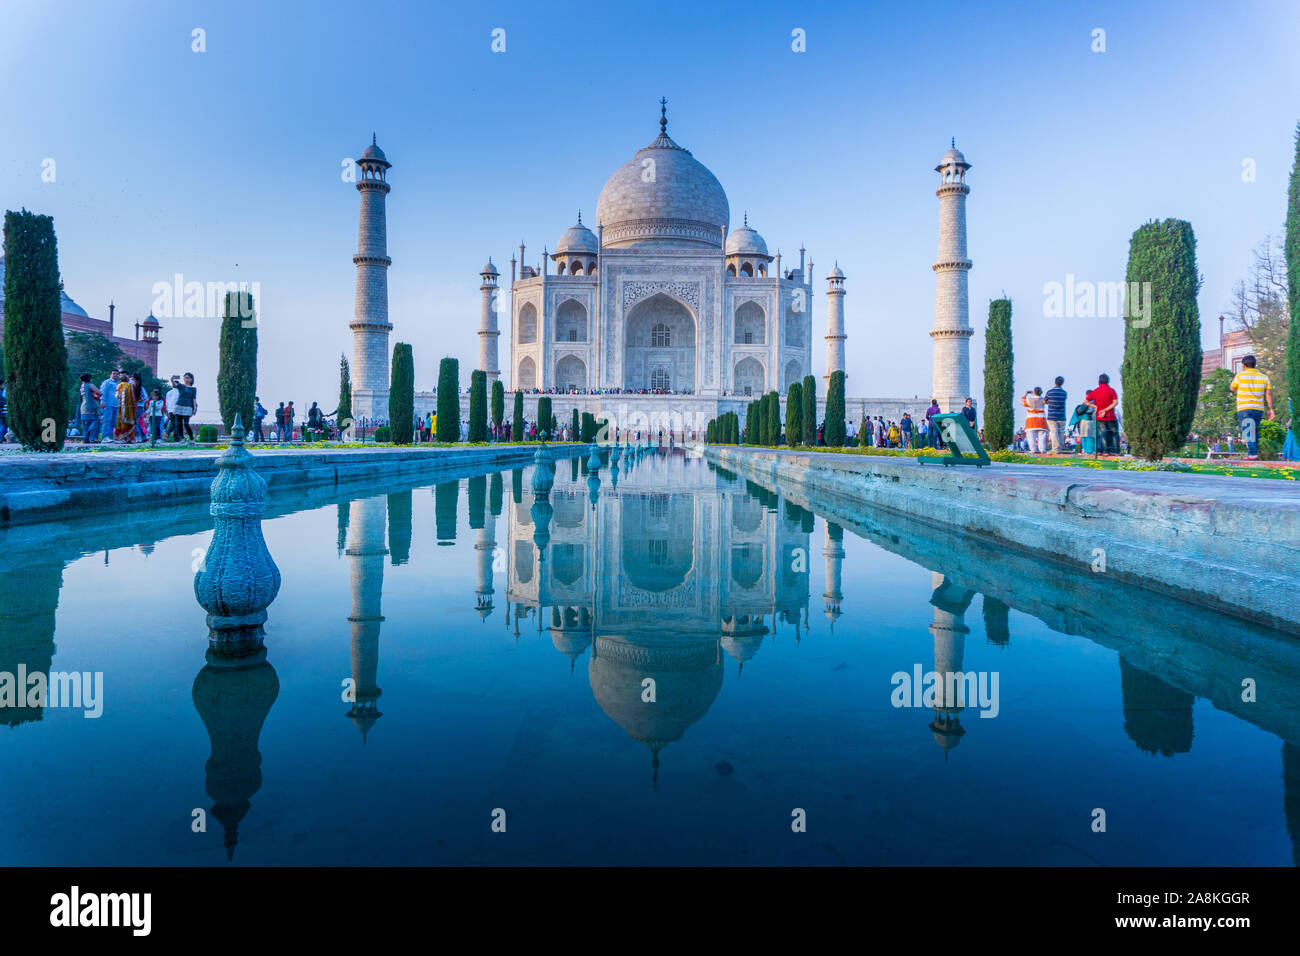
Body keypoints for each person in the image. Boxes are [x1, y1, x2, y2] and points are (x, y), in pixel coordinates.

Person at [1229, 354, 1275, 458]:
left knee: (1248, 431)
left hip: (1244, 408)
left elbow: (1232, 387)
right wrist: (1271, 409)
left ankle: (1253, 454)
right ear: (1254, 365)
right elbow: (1268, 394)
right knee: (1254, 430)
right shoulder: (1264, 377)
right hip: (1258, 409)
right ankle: (1252, 453)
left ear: (1243, 365)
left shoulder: (1240, 376)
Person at [1088, 373, 1120, 455]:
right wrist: (1105, 410)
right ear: (1108, 380)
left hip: (1100, 416)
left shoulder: (1095, 391)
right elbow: (1115, 402)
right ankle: (1116, 451)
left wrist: (1096, 407)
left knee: (1103, 434)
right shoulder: (1111, 390)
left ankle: (1105, 451)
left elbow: (1086, 402)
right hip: (1111, 416)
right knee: (1114, 433)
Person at [1044, 376, 1068, 454]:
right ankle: (1060, 448)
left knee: (1054, 432)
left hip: (1052, 415)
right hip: (1062, 415)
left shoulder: (1049, 392)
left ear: (1055, 382)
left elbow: (1045, 401)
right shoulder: (1064, 393)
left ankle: (1055, 449)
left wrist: (1050, 402)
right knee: (1061, 432)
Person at [1022, 387, 1048, 455]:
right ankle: (1042, 450)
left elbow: (1022, 402)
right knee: (1042, 436)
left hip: (1031, 420)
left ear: (1033, 392)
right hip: (1041, 420)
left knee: (1031, 436)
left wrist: (1025, 394)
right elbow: (1047, 402)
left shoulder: (1029, 399)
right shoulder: (1043, 400)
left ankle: (1033, 450)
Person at [77, 373, 101, 443]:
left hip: (83, 407)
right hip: (90, 407)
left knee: (85, 424)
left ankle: (86, 439)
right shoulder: (90, 385)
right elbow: (99, 393)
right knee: (94, 423)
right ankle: (93, 439)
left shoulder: (82, 386)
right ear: (89, 379)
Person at [173, 373, 197, 442]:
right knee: (179, 423)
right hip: (179, 405)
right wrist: (172, 379)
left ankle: (191, 438)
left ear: (191, 379)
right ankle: (182, 438)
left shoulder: (193, 389)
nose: (186, 379)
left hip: (188, 407)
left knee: (186, 423)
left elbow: (194, 399)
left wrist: (195, 408)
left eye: (188, 378)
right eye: (185, 377)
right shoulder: (181, 386)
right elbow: (175, 384)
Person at [114, 373, 138, 442]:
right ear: (128, 380)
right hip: (131, 407)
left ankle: (122, 438)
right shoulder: (132, 385)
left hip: (122, 407)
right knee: (131, 422)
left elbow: (117, 395)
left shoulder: (120, 385)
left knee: (121, 422)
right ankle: (131, 438)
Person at [99, 369, 121, 443]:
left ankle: (110, 438)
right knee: (107, 421)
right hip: (108, 404)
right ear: (110, 374)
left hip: (116, 405)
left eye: (117, 374)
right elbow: (103, 392)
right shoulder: (107, 382)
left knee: (113, 422)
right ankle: (105, 437)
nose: (115, 375)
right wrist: (102, 401)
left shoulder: (119, 383)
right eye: (113, 373)